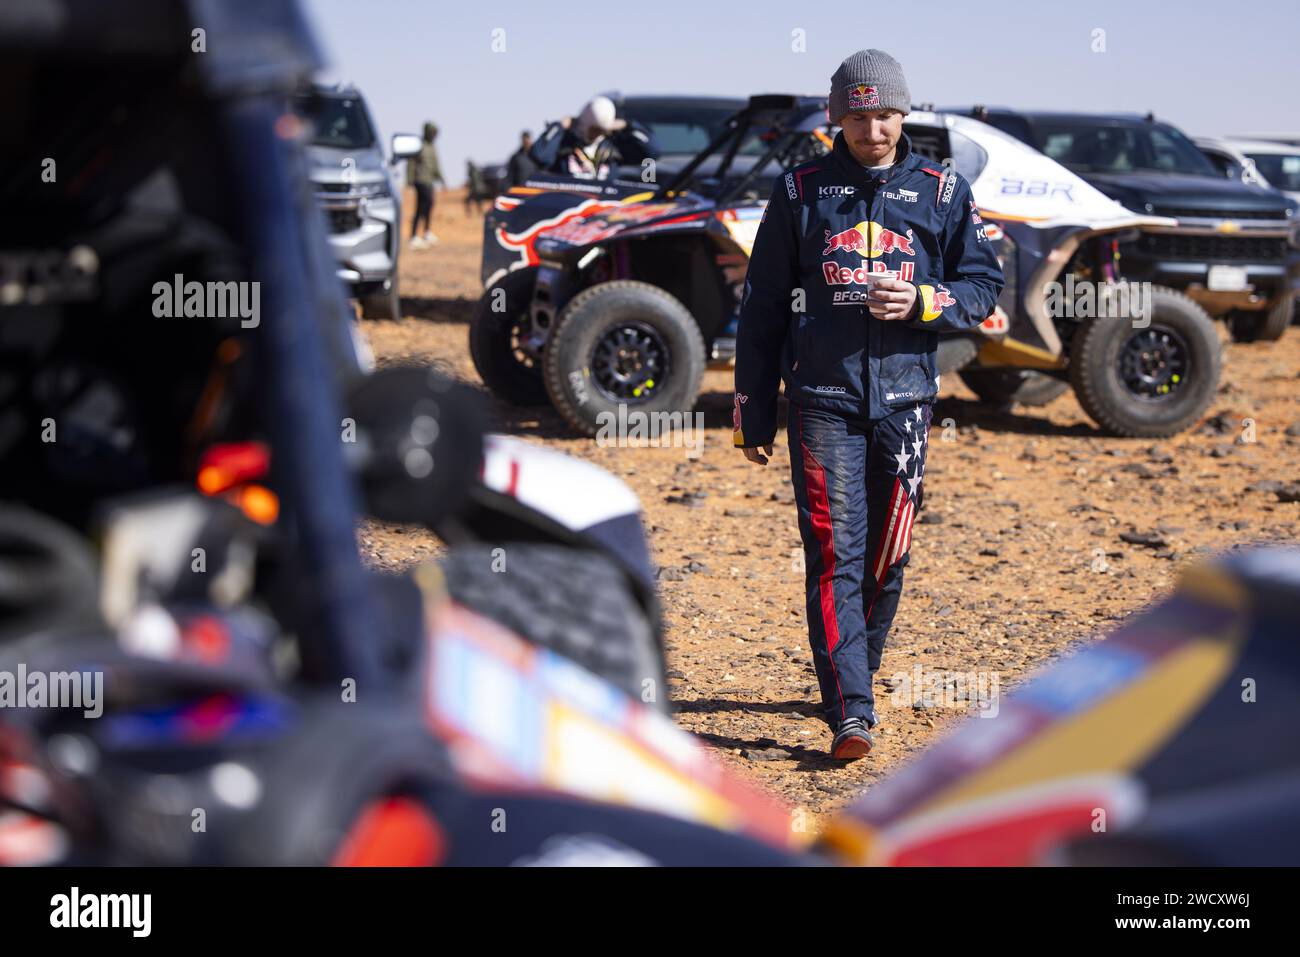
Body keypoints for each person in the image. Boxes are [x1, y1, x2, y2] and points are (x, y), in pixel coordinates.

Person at [732, 49, 1004, 760]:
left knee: (890, 555)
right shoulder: (799, 192)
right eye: (857, 115)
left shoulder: (943, 191)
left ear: (903, 112)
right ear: (835, 117)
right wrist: (753, 408)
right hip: (822, 400)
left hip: (907, 402)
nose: (872, 129)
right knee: (833, 552)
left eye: (883, 113)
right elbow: (762, 307)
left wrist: (924, 301)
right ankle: (852, 708)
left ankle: (857, 666)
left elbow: (981, 287)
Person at [528, 95, 656, 180]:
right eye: (594, 130)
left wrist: (628, 125)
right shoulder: (564, 144)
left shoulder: (611, 148)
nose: (598, 134)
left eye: (602, 130)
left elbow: (652, 152)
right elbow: (540, 156)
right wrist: (558, 127)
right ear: (584, 124)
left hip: (604, 210)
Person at [406, 120, 444, 248]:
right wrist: (409, 180)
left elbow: (436, 165)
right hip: (420, 180)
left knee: (429, 205)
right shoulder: (419, 145)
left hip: (429, 181)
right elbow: (411, 163)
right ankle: (414, 236)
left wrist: (442, 178)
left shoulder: (432, 146)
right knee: (420, 208)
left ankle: (427, 232)